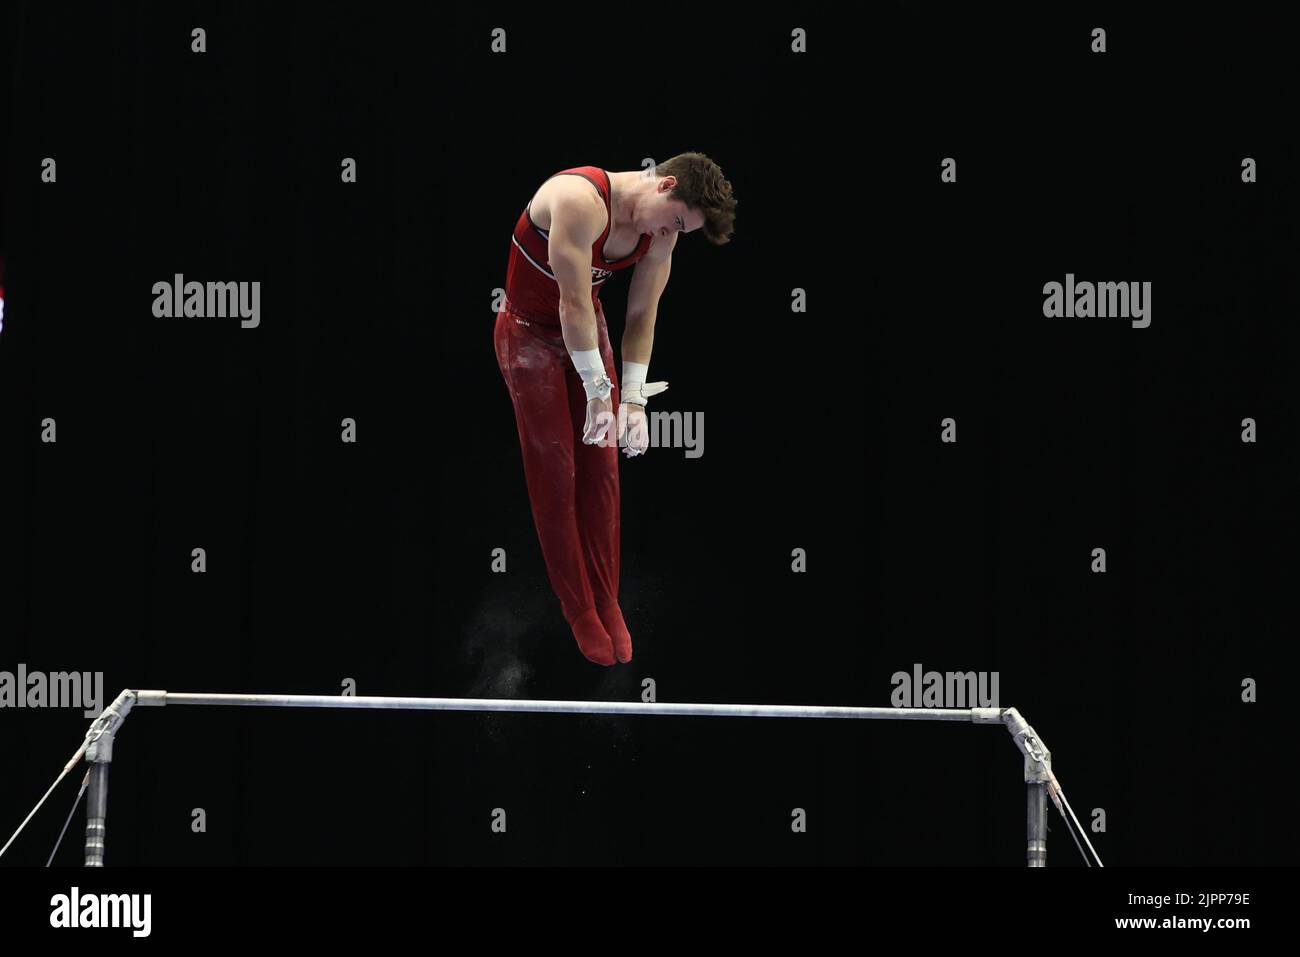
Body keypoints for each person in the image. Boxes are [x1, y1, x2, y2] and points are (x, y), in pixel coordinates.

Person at [493, 153, 736, 665]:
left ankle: (607, 599)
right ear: (665, 185)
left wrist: (634, 401)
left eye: (681, 231)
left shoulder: (660, 233)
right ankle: (579, 608)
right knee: (556, 473)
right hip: (529, 333)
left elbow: (643, 312)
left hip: (589, 329)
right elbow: (572, 303)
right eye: (676, 222)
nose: (670, 234)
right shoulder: (578, 200)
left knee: (602, 470)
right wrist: (598, 391)